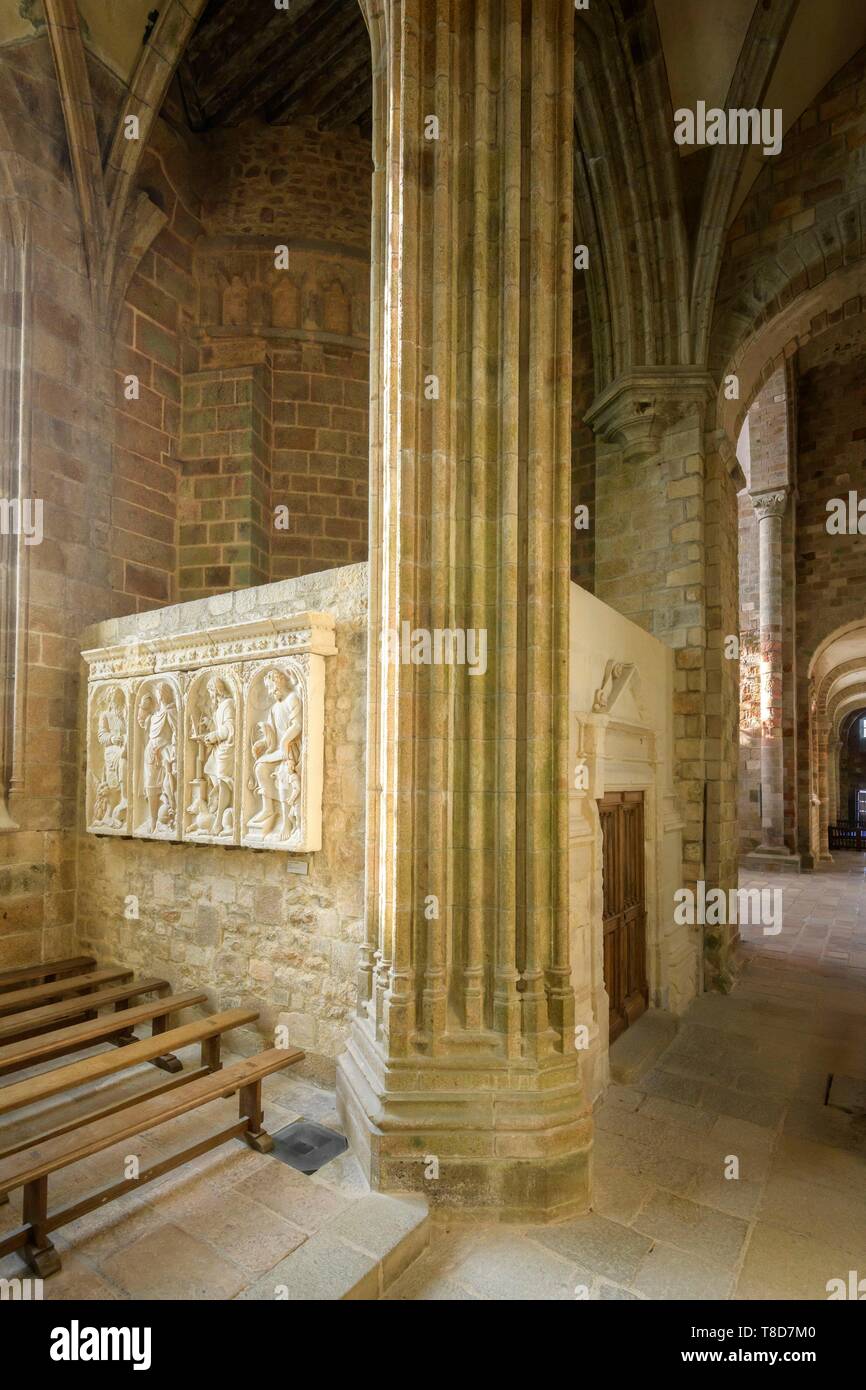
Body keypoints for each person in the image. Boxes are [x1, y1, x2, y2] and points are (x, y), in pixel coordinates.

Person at [248, 668, 302, 840]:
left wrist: (285, 740)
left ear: (278, 683)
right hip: (278, 749)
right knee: (260, 767)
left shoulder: (292, 699)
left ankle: (287, 821)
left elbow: (298, 725)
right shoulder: (274, 708)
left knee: (283, 778)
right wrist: (262, 743)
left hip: (291, 748)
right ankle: (268, 808)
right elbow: (272, 734)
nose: (271, 692)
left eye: (272, 687)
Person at [138, 682, 177, 833]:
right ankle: (152, 819)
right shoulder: (154, 716)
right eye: (159, 693)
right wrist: (144, 704)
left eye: (163, 693)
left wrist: (169, 751)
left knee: (167, 785)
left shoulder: (171, 712)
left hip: (164, 754)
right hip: (150, 753)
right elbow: (141, 720)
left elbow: (177, 734)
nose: (161, 696)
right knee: (150, 786)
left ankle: (168, 817)